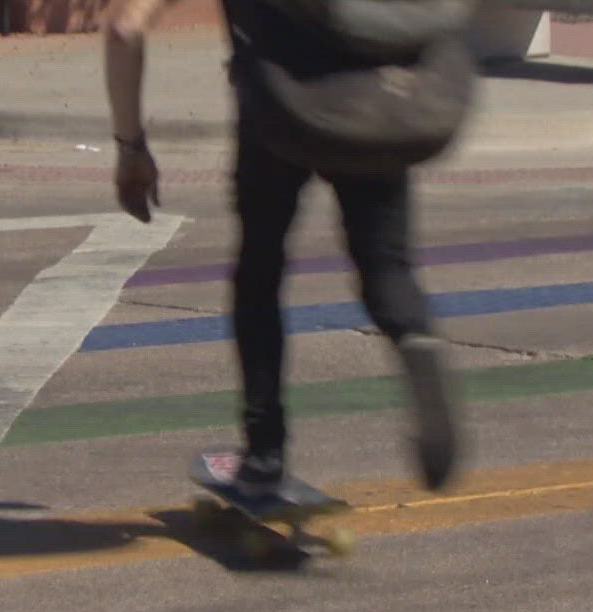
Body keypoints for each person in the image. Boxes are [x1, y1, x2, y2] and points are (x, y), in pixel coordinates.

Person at [104, 0, 461, 496]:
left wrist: (131, 148)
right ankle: (413, 338)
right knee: (386, 265)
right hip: (378, 102)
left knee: (260, 271)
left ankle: (265, 453)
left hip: (282, 114)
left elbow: (124, 28)